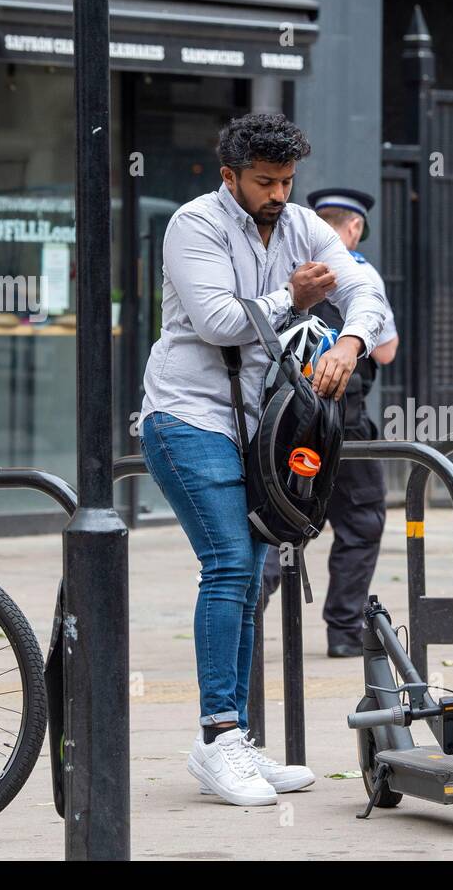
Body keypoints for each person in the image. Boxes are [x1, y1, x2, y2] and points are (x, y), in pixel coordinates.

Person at [138, 113, 389, 806]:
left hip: (254, 426)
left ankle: (234, 738)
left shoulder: (304, 223)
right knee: (226, 564)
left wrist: (350, 345)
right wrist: (296, 298)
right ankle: (218, 737)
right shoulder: (195, 224)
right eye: (264, 182)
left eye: (286, 181)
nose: (278, 194)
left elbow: (364, 289)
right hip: (185, 415)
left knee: (251, 572)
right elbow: (218, 319)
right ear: (230, 177)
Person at [261, 188, 400, 658]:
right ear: (354, 227)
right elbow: (386, 350)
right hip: (343, 423)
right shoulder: (358, 272)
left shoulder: (281, 266)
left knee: (275, 519)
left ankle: (243, 623)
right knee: (360, 522)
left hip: (281, 422)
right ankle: (343, 634)